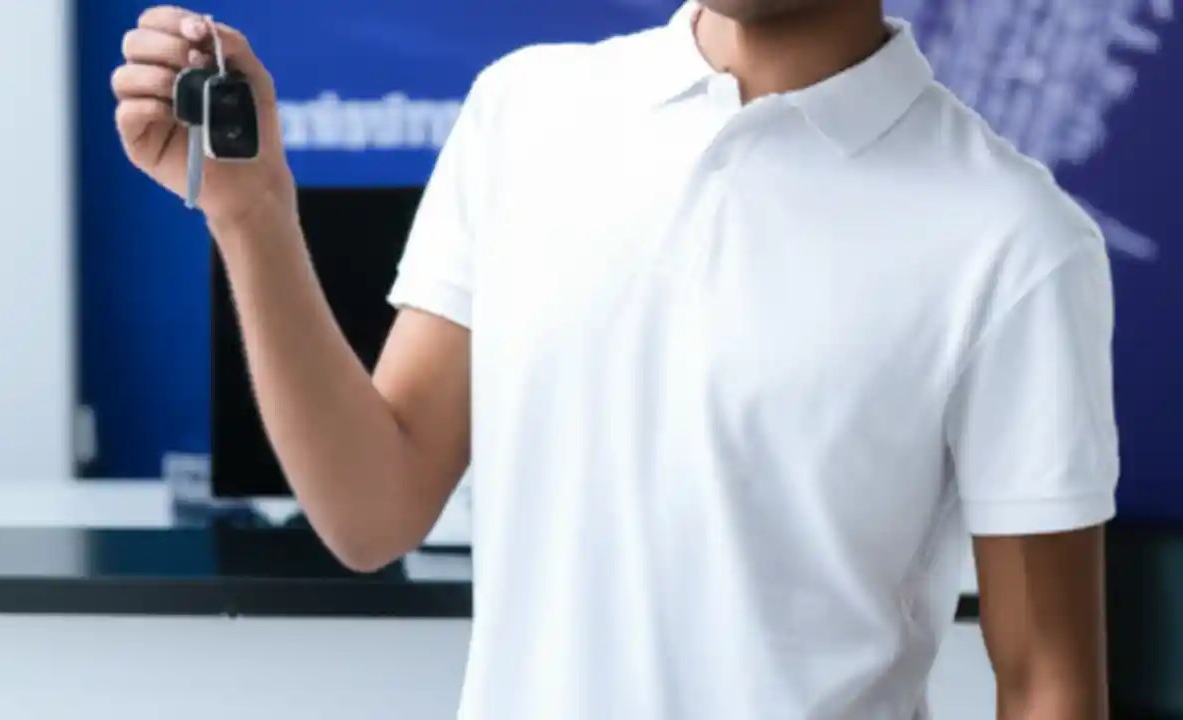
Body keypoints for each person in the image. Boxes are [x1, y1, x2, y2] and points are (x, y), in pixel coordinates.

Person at [112, 1, 1118, 717]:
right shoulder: (525, 113)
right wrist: (251, 216)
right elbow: (373, 514)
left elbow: (1047, 683)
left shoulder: (1011, 240)